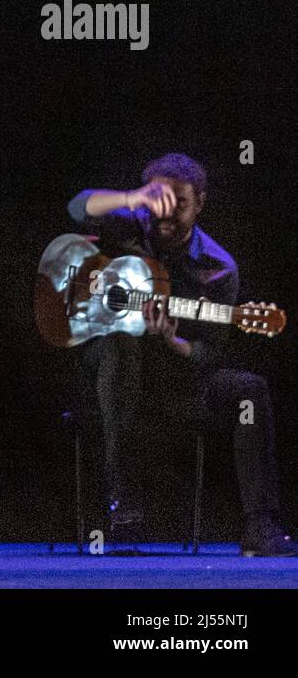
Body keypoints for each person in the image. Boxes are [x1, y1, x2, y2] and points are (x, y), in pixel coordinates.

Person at [68, 152, 295, 556]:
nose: (167, 215)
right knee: (122, 344)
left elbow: (212, 351)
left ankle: (261, 524)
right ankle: (124, 508)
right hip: (114, 373)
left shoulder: (219, 267)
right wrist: (133, 198)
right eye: (161, 201)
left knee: (250, 391)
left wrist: (175, 343)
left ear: (201, 203)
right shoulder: (127, 223)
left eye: (181, 203)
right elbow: (77, 205)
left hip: (180, 380)